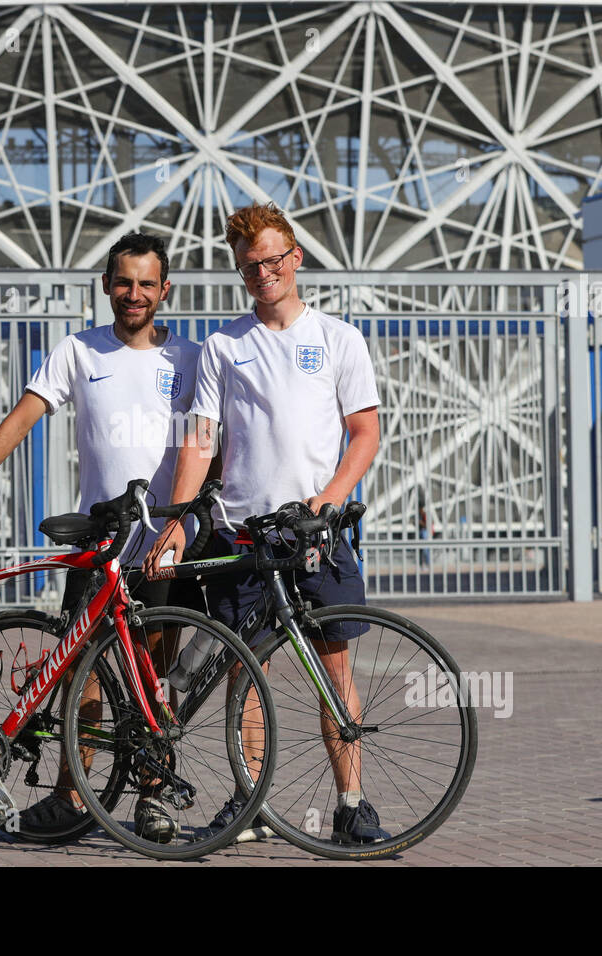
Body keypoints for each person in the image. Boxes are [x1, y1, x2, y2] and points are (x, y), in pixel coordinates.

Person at [0, 232, 202, 842]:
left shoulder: (193, 359)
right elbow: (23, 416)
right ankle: (72, 794)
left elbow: (218, 437)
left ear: (165, 290)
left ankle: (151, 800)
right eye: (123, 282)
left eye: (147, 284)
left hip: (164, 543)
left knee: (158, 672)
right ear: (106, 285)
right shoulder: (78, 351)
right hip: (99, 542)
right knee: (78, 673)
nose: (134, 294)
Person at [145, 202, 386, 845]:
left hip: (314, 537)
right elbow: (200, 437)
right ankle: (248, 803)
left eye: (273, 260)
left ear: (296, 258)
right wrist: (176, 520)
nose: (263, 273)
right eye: (250, 266)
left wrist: (328, 500)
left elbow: (365, 433)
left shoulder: (338, 339)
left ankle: (352, 804)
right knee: (245, 672)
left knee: (333, 670)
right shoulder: (225, 346)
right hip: (242, 535)